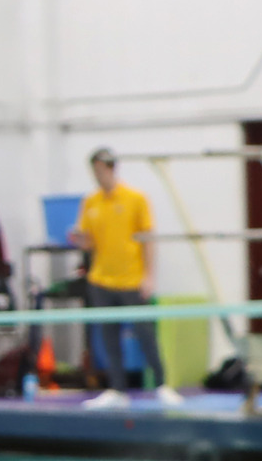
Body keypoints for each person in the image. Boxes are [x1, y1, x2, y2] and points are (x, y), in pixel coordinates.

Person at [70, 147, 180, 408]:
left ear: (111, 169)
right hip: (102, 280)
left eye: (100, 170)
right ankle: (117, 389)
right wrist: (79, 239)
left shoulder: (136, 199)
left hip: (132, 279)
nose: (97, 176)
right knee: (109, 337)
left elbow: (148, 240)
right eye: (93, 171)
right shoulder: (91, 202)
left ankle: (163, 385)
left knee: (145, 334)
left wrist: (149, 276)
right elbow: (89, 244)